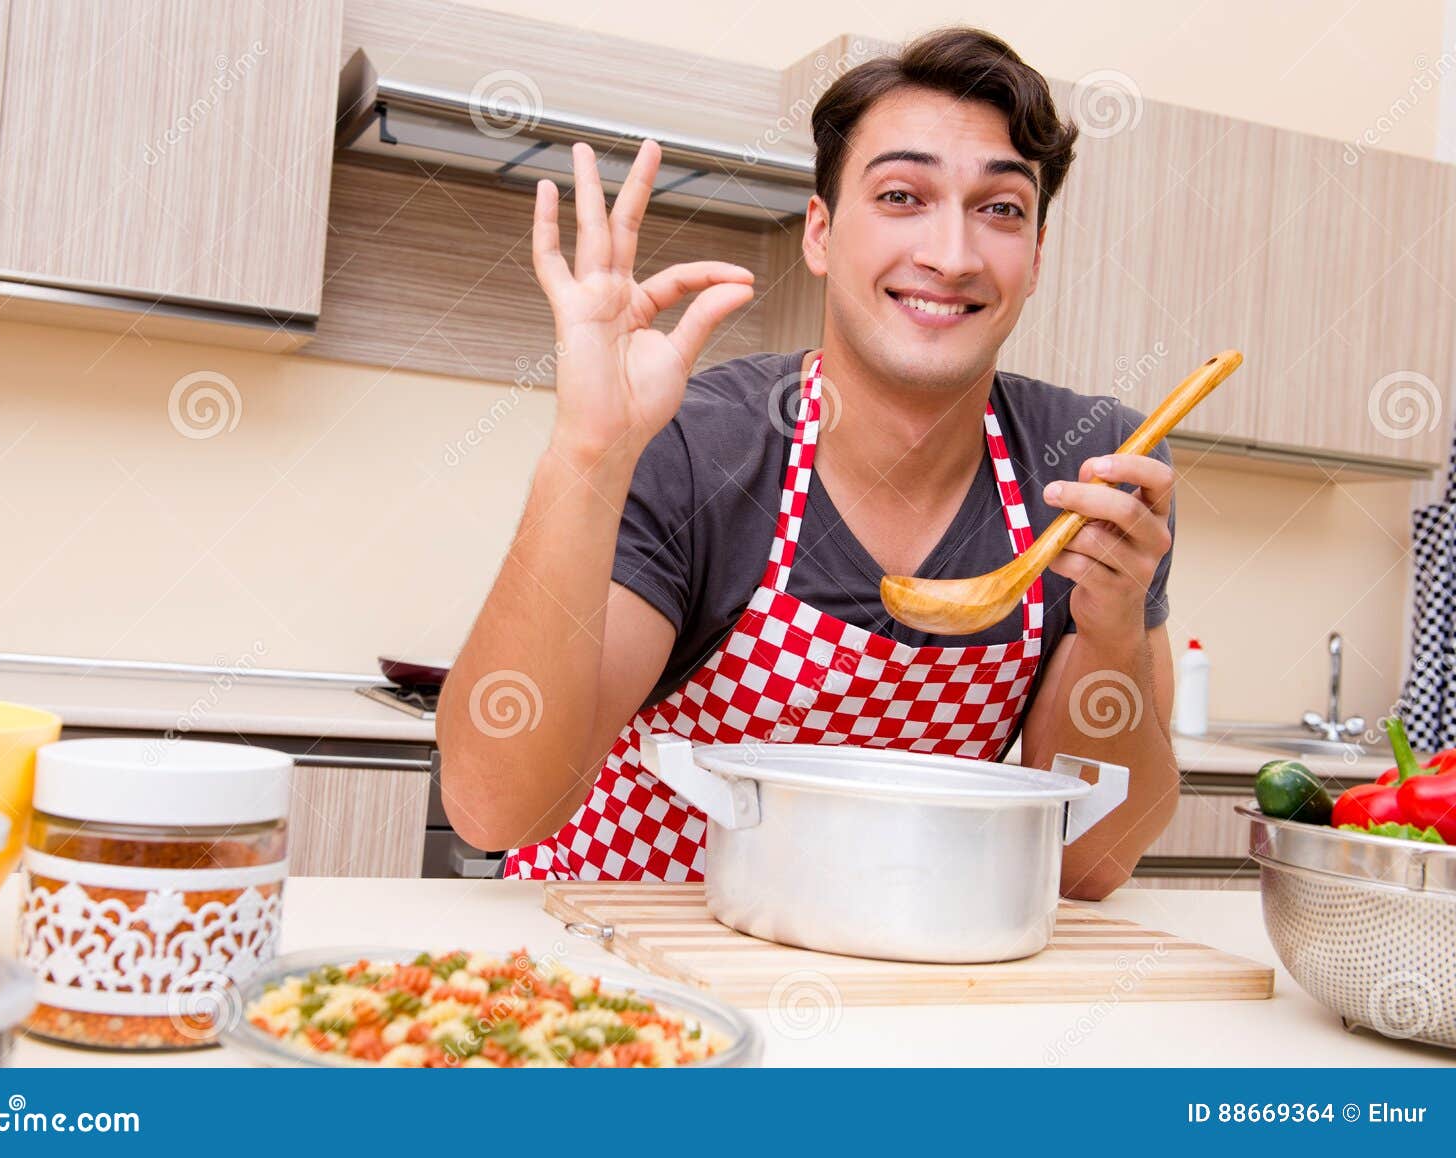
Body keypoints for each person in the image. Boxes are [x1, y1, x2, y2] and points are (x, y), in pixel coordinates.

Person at [436, 26, 1179, 899]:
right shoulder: (700, 443)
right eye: (903, 195)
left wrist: (1113, 627)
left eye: (1002, 209)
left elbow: (1087, 864)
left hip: (890, 983)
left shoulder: (1090, 466)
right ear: (820, 234)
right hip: (620, 969)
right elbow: (495, 809)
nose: (953, 253)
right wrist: (587, 454)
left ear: (1036, 260)